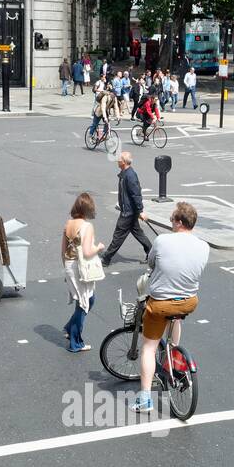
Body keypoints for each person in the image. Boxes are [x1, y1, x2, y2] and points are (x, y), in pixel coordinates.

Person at [129, 202, 209, 414]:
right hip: (188, 301)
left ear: (180, 222)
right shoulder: (204, 246)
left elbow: (152, 263)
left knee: (148, 348)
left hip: (161, 303)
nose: (171, 223)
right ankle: (173, 354)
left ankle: (145, 398)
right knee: (177, 317)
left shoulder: (162, 240)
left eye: (172, 219)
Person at [61, 193, 105, 353]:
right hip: (81, 267)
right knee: (84, 303)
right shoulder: (87, 226)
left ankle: (68, 328)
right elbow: (87, 252)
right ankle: (75, 342)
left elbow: (63, 250)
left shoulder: (68, 224)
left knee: (88, 299)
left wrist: (67, 272)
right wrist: (99, 247)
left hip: (69, 264)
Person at [102, 151, 152, 265]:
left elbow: (136, 194)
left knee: (118, 235)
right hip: (128, 210)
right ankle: (151, 252)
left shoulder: (130, 175)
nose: (117, 161)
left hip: (128, 213)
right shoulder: (125, 173)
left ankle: (106, 258)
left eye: (119, 159)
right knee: (138, 233)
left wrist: (140, 211)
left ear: (124, 162)